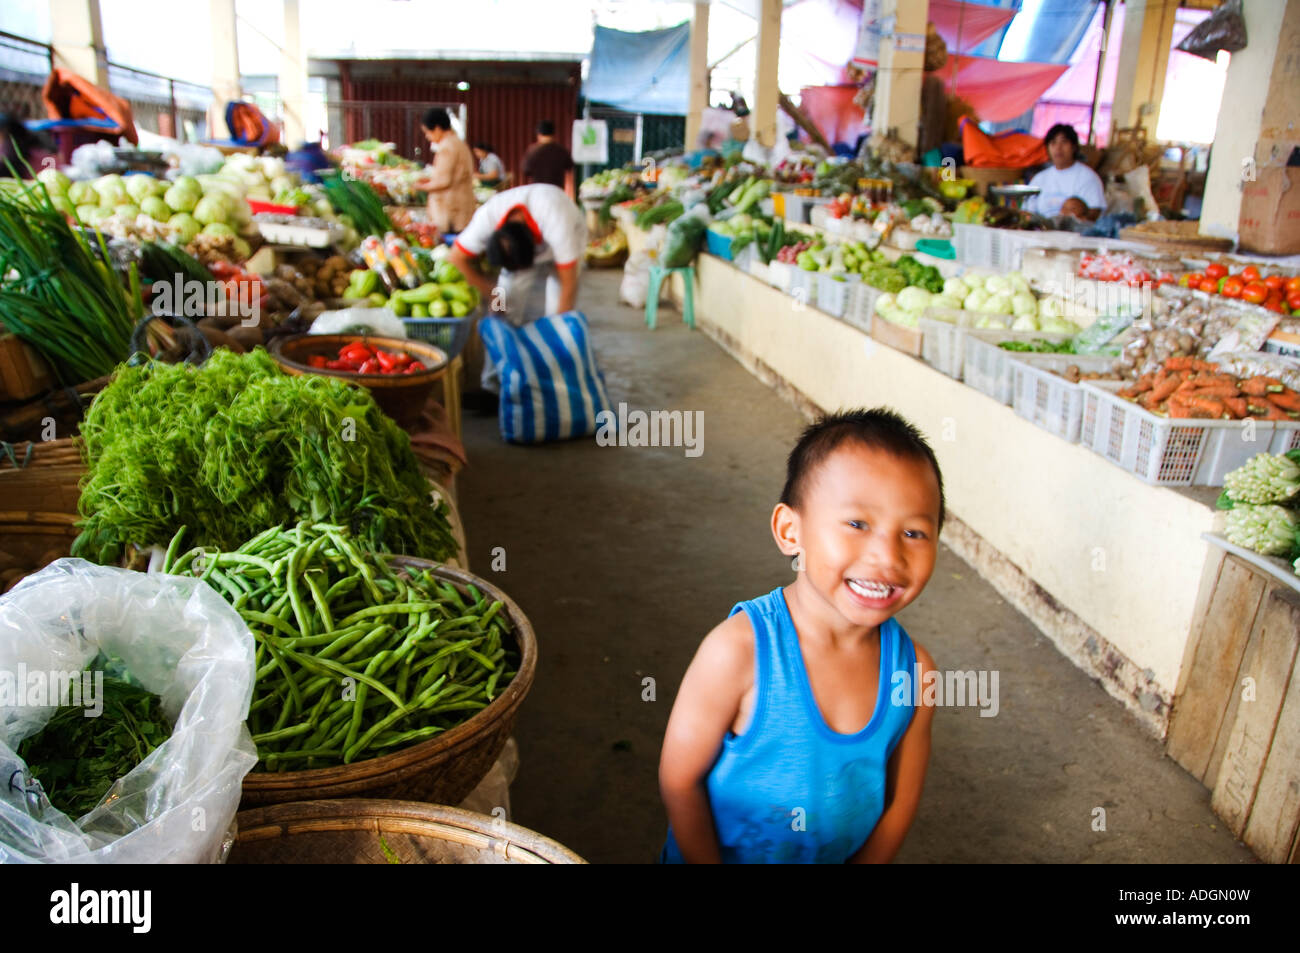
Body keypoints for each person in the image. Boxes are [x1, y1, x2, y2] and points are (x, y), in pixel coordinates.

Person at [659, 408, 941, 864]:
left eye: (914, 532)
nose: (888, 557)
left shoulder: (916, 674)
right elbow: (679, 781)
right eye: (858, 524)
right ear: (791, 531)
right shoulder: (739, 650)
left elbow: (899, 805)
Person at [448, 182, 587, 391]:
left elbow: (568, 286)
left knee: (556, 316)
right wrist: (492, 293)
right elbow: (455, 259)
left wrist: (556, 333)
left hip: (569, 240)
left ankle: (553, 379)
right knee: (502, 309)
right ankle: (492, 384)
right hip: (520, 252)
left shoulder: (557, 220)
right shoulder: (487, 217)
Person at [1024, 123, 1106, 221]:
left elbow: (1094, 213)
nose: (1058, 148)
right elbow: (1027, 213)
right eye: (1053, 143)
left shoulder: (1088, 177)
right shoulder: (1039, 179)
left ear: (1074, 147)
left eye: (1064, 142)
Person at [416, 107, 477, 234]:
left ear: (437, 129)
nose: (427, 137)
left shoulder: (447, 147)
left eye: (427, 132)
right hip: (460, 208)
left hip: (451, 212)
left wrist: (419, 186)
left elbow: (444, 181)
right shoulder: (457, 143)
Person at [522, 119, 574, 196]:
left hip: (538, 192)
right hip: (556, 192)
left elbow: (526, 170)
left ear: (539, 135)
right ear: (553, 134)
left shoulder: (532, 151)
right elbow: (569, 168)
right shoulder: (561, 151)